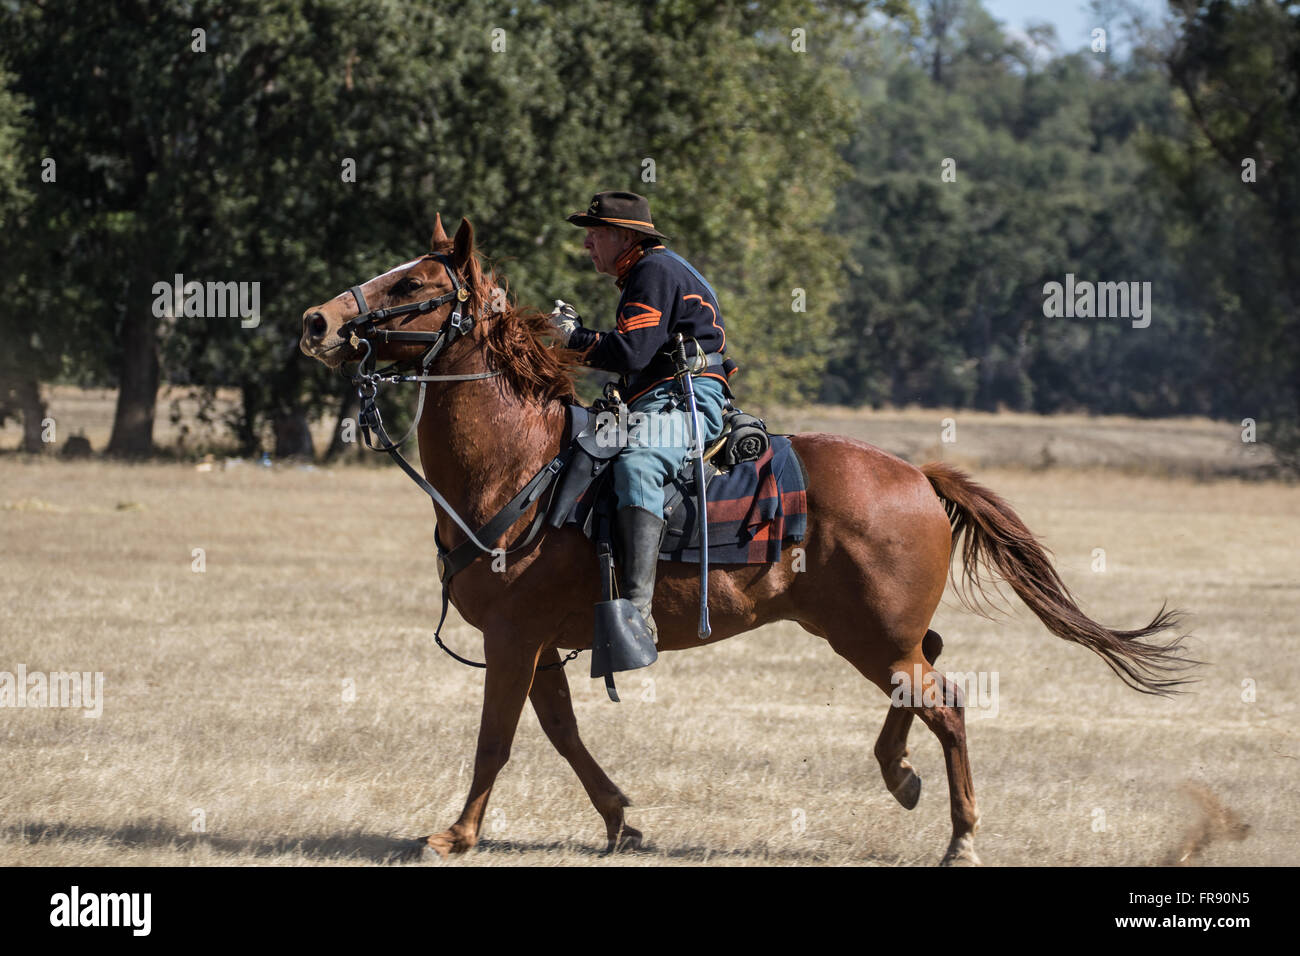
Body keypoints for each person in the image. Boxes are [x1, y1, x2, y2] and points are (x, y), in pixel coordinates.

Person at [550, 190, 734, 640]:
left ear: (621, 236)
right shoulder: (647, 271)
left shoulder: (653, 271)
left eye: (595, 234)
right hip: (661, 396)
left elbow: (631, 352)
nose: (587, 244)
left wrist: (571, 338)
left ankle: (636, 614)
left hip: (689, 398)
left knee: (638, 463)